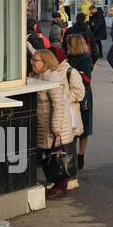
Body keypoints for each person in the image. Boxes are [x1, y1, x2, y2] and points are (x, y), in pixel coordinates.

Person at [31, 49, 85, 200]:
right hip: (45, 124)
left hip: (55, 125)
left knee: (57, 156)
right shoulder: (39, 76)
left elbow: (58, 104)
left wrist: (56, 128)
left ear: (46, 62)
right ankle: (57, 184)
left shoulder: (51, 78)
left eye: (36, 60)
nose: (32, 63)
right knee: (48, 156)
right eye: (32, 60)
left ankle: (61, 186)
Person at [64, 35, 94, 171]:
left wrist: (74, 74)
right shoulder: (70, 58)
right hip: (76, 93)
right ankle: (76, 155)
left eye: (68, 44)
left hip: (83, 95)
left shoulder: (84, 59)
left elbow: (87, 78)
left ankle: (80, 155)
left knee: (83, 125)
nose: (66, 46)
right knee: (76, 124)